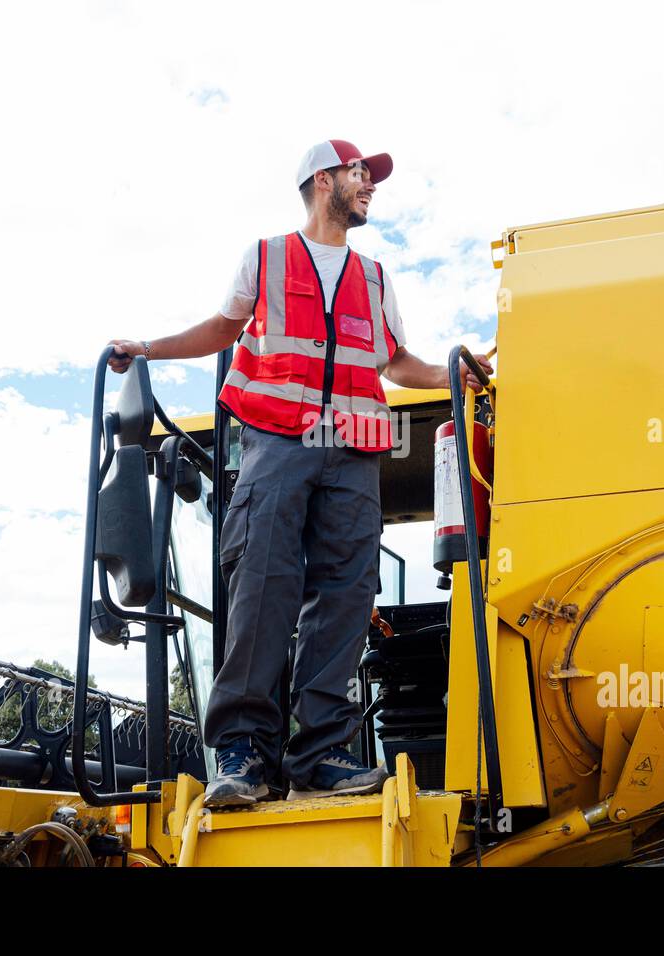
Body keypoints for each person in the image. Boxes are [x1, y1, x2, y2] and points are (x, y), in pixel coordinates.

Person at [109, 139, 492, 806]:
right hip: (277, 444)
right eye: (359, 173)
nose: (369, 184)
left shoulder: (374, 277)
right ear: (322, 180)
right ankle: (244, 754)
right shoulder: (265, 256)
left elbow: (396, 362)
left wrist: (448, 371)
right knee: (262, 585)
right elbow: (222, 331)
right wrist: (148, 347)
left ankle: (320, 754)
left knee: (345, 594)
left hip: (354, 449)